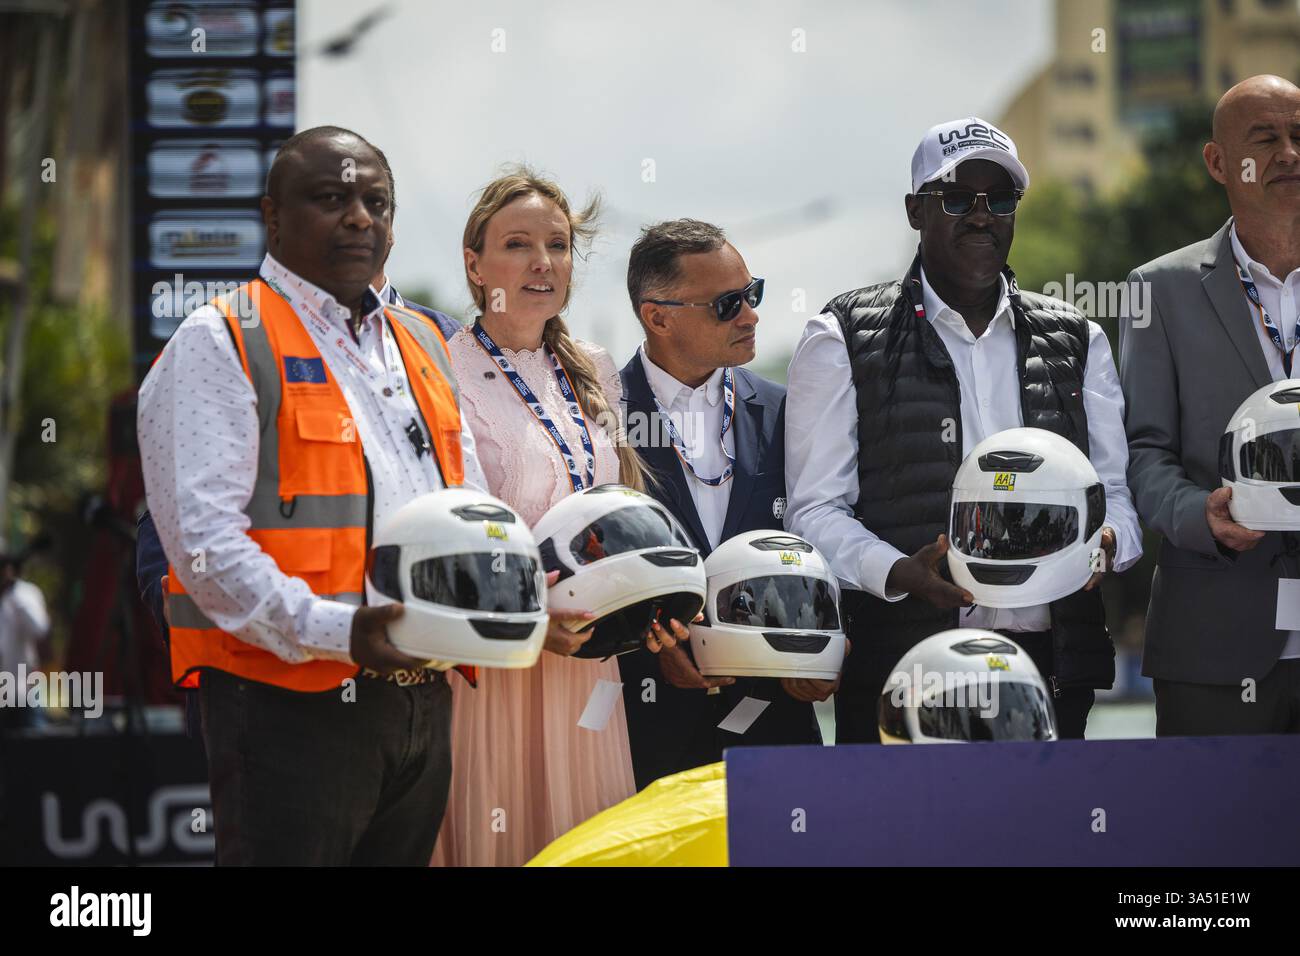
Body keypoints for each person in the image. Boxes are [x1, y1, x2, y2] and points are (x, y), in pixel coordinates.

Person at [137, 125, 484, 865]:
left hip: (422, 697)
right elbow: (204, 547)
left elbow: (469, 508)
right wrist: (342, 630)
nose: (360, 218)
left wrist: (522, 604)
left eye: (376, 202)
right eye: (331, 199)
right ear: (272, 216)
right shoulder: (221, 337)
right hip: (287, 704)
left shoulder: (421, 340)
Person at [785, 116, 1141, 742]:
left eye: (999, 198)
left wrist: (1106, 544)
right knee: (903, 842)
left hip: (1054, 672)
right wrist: (897, 572)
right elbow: (813, 511)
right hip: (904, 668)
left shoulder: (1079, 338)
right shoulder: (841, 335)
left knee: (1045, 840)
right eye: (955, 198)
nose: (981, 215)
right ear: (914, 211)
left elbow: (1116, 496)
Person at [431, 167, 684, 866]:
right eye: (519, 244)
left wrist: (647, 608)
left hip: (588, 662)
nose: (543, 262)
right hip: (497, 657)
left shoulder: (595, 367)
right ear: (474, 263)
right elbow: (447, 531)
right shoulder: (437, 367)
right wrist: (530, 623)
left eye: (559, 244)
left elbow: (617, 513)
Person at [617, 218, 828, 790]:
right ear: (657, 316)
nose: (751, 315)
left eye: (751, 293)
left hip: (778, 732)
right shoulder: (597, 417)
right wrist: (649, 649)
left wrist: (819, 655)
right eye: (728, 303)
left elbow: (821, 540)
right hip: (646, 735)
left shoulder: (789, 410)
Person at [1120, 75, 1300, 735]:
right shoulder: (1157, 292)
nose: (1289, 153)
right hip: (1211, 647)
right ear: (1218, 162)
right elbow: (1142, 454)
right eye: (1266, 138)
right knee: (1214, 839)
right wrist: (1201, 514)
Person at [0, 538, 51, 733]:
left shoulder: (25, 594)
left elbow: (40, 629)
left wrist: (13, 594)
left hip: (24, 692)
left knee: (33, 753)